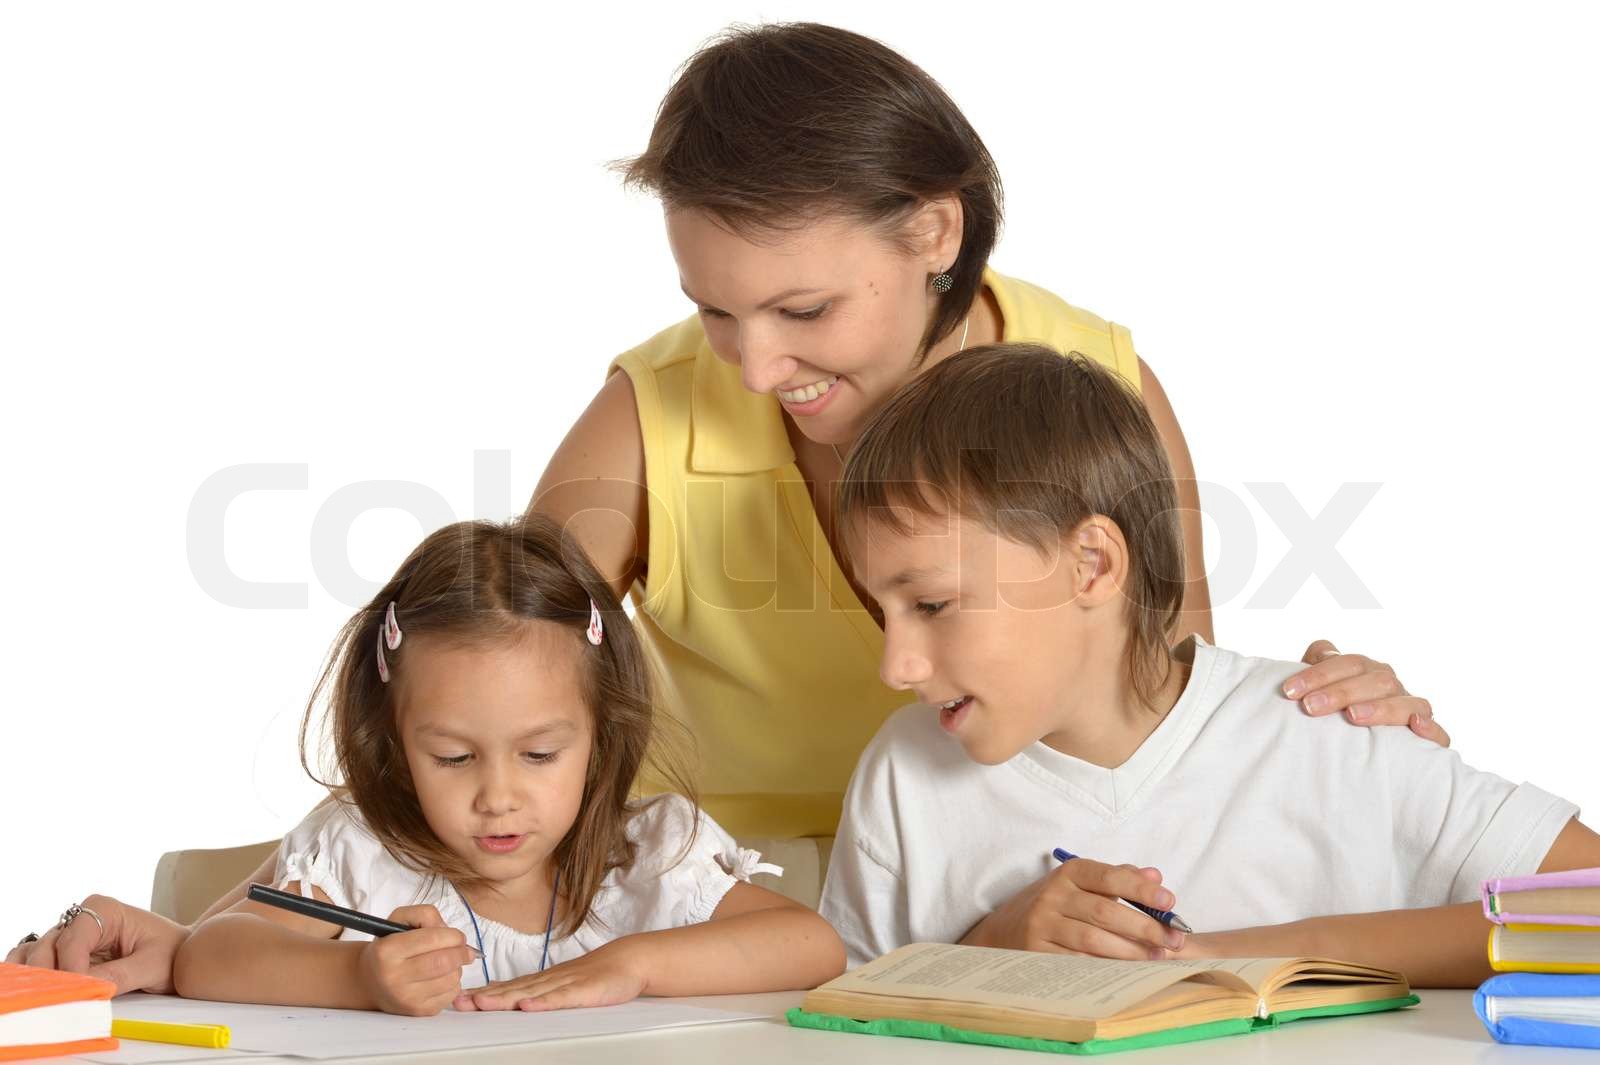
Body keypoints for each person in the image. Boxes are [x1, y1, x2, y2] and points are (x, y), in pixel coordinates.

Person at [8, 21, 1441, 994]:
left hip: (1005, 874)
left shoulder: (1092, 381)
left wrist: (1332, 712)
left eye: (804, 308)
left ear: (934, 231)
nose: (755, 366)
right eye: (714, 309)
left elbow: (1171, 691)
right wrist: (215, 928)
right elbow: (494, 683)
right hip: (718, 906)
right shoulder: (655, 404)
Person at [818, 344, 1600, 986]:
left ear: (1091, 564)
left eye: (932, 604)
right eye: (883, 609)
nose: (896, 663)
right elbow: (834, 1019)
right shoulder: (904, 775)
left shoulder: (1327, 729)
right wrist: (991, 947)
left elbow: (1589, 907)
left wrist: (1229, 954)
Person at [172, 516, 843, 1015]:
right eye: (454, 756)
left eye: (540, 754)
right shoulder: (365, 851)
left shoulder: (646, 854)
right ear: (397, 742)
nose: (498, 795)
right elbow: (208, 956)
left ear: (600, 737)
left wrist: (633, 962)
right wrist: (356, 975)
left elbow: (811, 944)